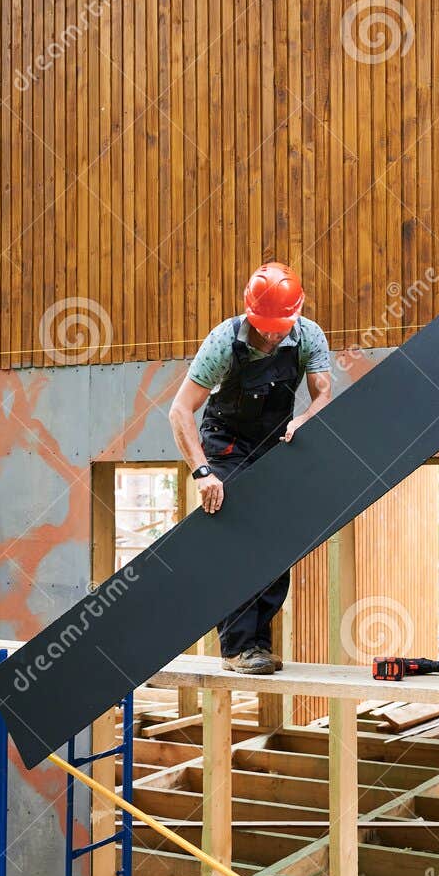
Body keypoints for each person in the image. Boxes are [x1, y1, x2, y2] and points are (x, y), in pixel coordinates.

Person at [168, 262, 334, 675]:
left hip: (277, 438)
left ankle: (259, 642)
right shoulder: (224, 341)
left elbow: (324, 394)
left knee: (278, 540)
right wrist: (203, 472)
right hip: (226, 442)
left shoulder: (309, 336)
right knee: (240, 534)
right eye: (265, 326)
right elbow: (180, 410)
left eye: (280, 326)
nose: (272, 334)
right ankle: (237, 647)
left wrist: (305, 420)